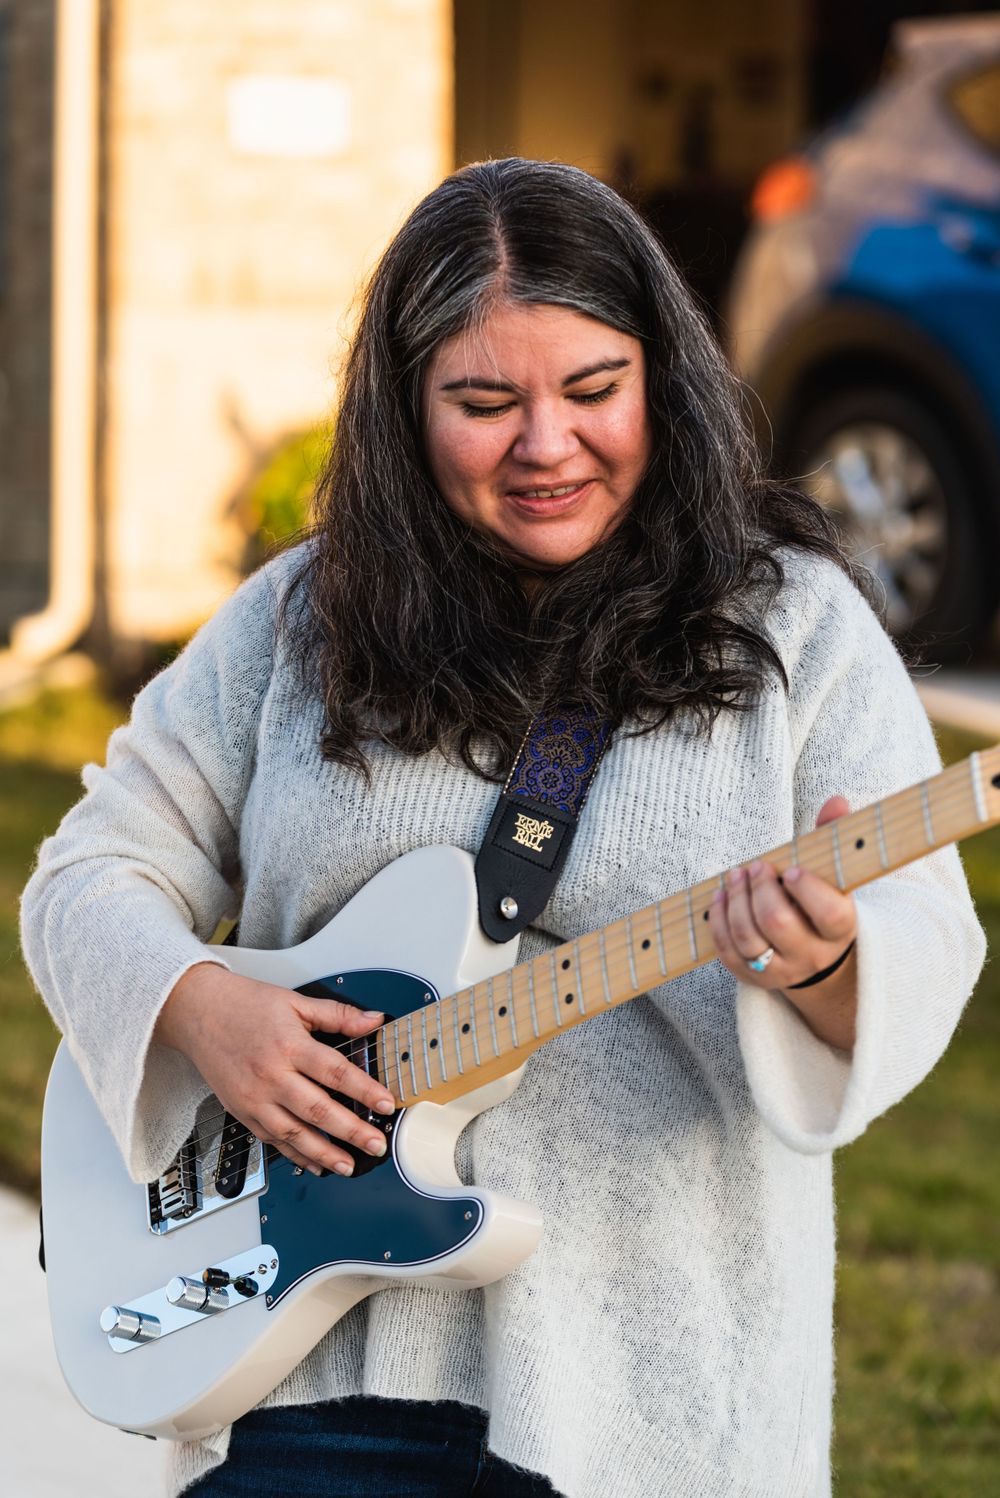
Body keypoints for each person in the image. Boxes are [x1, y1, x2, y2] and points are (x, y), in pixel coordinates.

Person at [21, 158, 986, 1498]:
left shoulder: (802, 631)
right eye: (484, 402)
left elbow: (928, 936)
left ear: (663, 375)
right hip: (308, 1388)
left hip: (651, 1396)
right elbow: (87, 876)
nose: (547, 444)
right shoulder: (295, 625)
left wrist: (825, 967)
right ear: (405, 410)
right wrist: (197, 1006)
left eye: (595, 390)